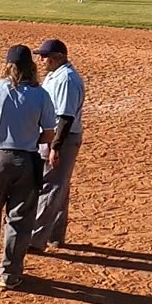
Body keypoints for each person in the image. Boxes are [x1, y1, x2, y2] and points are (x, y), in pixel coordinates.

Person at [0, 45, 56, 290]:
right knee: (20, 218)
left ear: (8, 65)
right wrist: (29, 140)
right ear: (31, 67)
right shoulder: (41, 94)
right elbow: (49, 134)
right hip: (27, 160)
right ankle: (11, 274)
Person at [30, 39, 86, 252]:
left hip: (63, 137)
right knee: (59, 185)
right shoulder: (56, 75)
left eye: (45, 56)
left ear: (59, 57)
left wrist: (56, 147)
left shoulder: (66, 80)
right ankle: (55, 235)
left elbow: (65, 117)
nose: (41, 59)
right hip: (58, 136)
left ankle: (35, 239)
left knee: (51, 186)